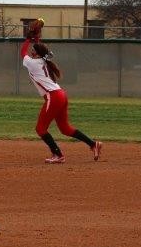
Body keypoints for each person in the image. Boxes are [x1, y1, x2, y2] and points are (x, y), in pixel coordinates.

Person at [20, 34, 103, 164]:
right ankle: (93, 144)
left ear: (37, 53)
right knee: (65, 128)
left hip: (53, 96)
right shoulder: (44, 60)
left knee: (40, 129)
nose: (31, 51)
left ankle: (58, 155)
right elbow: (42, 51)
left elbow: (22, 53)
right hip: (61, 95)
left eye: (33, 50)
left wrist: (28, 39)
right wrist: (35, 40)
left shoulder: (33, 63)